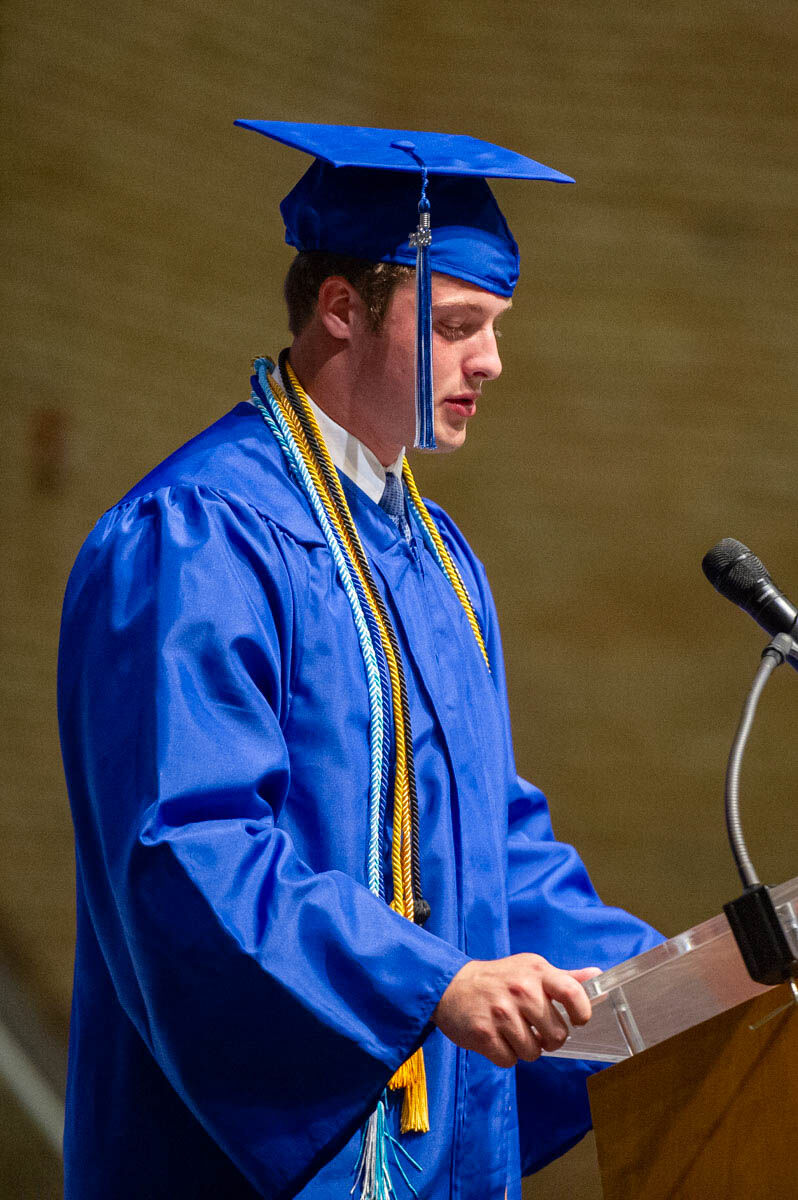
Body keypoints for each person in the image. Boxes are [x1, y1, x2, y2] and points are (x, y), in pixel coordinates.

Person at [57, 124, 663, 1200]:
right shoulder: (201, 534)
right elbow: (188, 852)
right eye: (459, 325)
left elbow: (493, 840)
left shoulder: (432, 553)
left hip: (439, 1126)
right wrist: (428, 982)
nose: (492, 361)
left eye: (495, 327)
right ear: (341, 307)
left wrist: (667, 983)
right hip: (260, 1155)